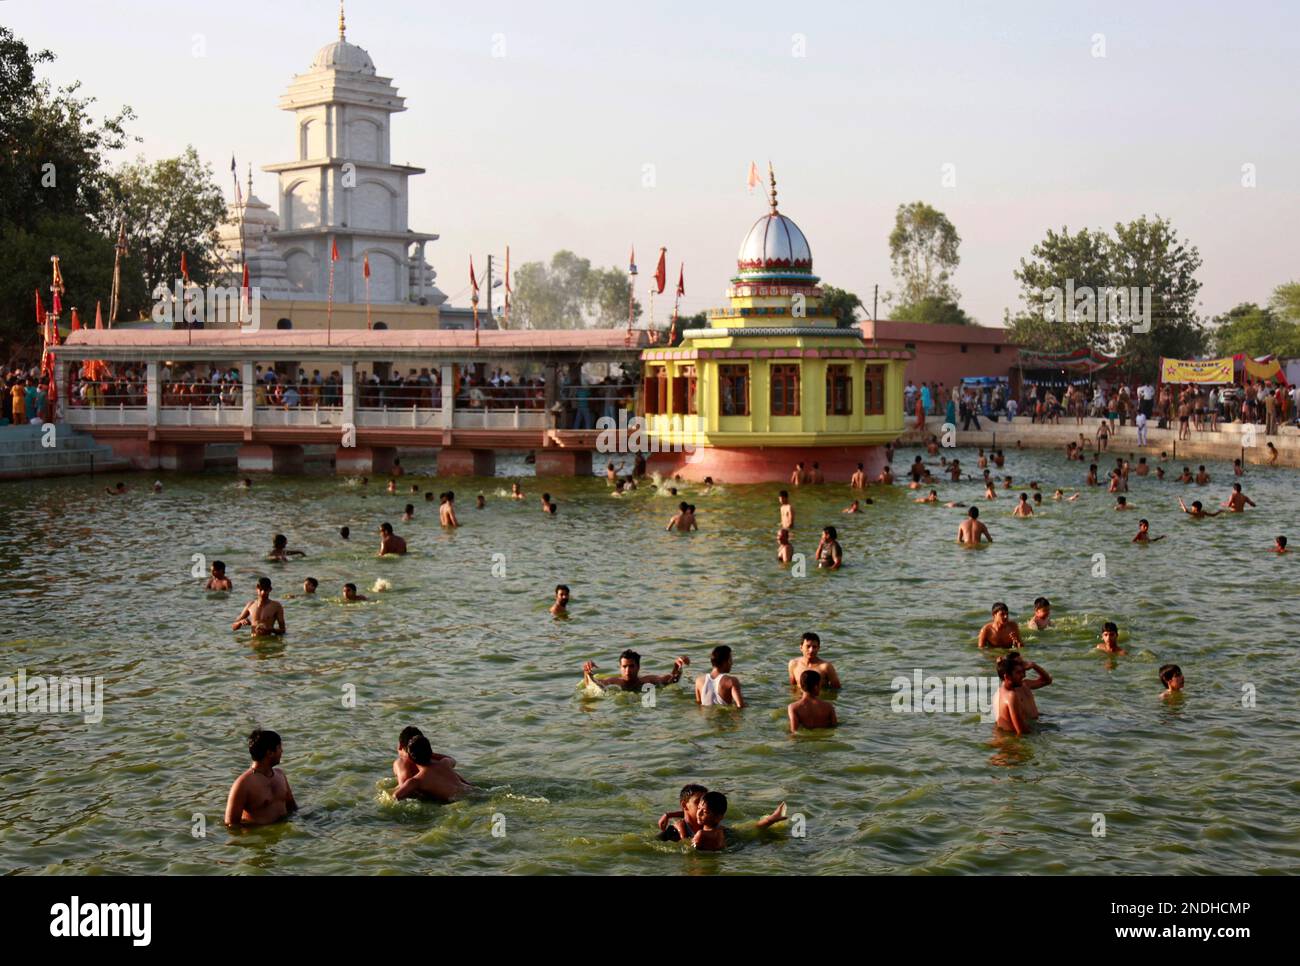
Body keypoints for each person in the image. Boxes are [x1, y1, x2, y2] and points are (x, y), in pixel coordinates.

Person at [224, 728, 297, 827]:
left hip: (282, 839)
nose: (282, 751)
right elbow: (231, 824)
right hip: (259, 837)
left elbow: (293, 808)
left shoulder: (280, 775)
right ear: (270, 753)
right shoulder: (243, 784)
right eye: (279, 747)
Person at [393, 734, 477, 803]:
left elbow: (396, 796)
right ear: (431, 751)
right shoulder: (445, 763)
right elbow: (452, 760)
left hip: (461, 801)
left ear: (410, 758)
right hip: (473, 791)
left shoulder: (416, 781)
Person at [993, 653, 1052, 736]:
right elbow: (1021, 731)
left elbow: (1047, 680)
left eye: (1022, 663)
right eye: (1019, 664)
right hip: (1013, 738)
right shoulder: (1009, 695)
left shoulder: (1023, 685)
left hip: (1027, 726)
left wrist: (1033, 665)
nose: (1023, 666)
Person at [581, 649, 689, 692]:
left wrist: (676, 666)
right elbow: (592, 686)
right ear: (620, 667)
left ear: (638, 667)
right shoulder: (613, 682)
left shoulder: (648, 681)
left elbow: (672, 680)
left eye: (631, 666)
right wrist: (587, 673)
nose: (627, 670)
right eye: (624, 667)